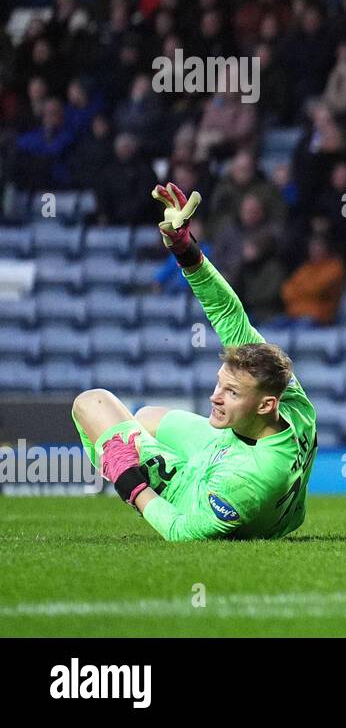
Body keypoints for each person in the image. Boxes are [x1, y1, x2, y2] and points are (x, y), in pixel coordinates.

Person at [71, 183, 317, 541]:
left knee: (91, 402)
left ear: (266, 404)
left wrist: (131, 485)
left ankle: (136, 464)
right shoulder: (291, 400)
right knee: (145, 418)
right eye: (220, 383)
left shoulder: (248, 481)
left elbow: (181, 531)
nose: (215, 397)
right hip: (230, 450)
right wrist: (186, 250)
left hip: (197, 484)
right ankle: (138, 445)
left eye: (231, 392)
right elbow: (227, 311)